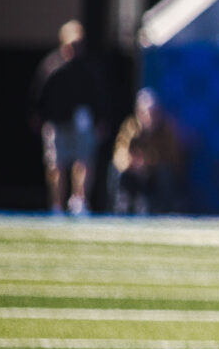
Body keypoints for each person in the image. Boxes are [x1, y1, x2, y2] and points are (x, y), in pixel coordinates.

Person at [30, 20, 108, 215]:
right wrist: (38, 117)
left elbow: (98, 97)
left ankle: (79, 201)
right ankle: (57, 205)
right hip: (56, 124)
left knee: (84, 162)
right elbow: (37, 95)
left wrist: (99, 121)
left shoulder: (88, 68)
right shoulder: (51, 66)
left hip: (82, 125)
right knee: (56, 165)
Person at [110, 89, 186, 215]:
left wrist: (148, 163)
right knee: (117, 172)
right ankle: (122, 208)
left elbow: (172, 157)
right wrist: (131, 163)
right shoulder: (131, 127)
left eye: (153, 113)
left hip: (154, 173)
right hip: (133, 171)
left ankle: (163, 210)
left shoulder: (165, 130)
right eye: (146, 113)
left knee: (165, 174)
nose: (150, 117)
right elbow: (119, 153)